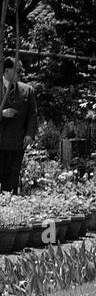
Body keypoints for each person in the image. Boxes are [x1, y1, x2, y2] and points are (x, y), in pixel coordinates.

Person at [0, 56, 39, 193]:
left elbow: (33, 115)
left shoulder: (27, 90)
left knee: (12, 178)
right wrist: (2, 113)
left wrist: (29, 134)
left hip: (17, 142)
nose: (21, 74)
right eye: (17, 71)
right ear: (6, 71)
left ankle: (11, 205)